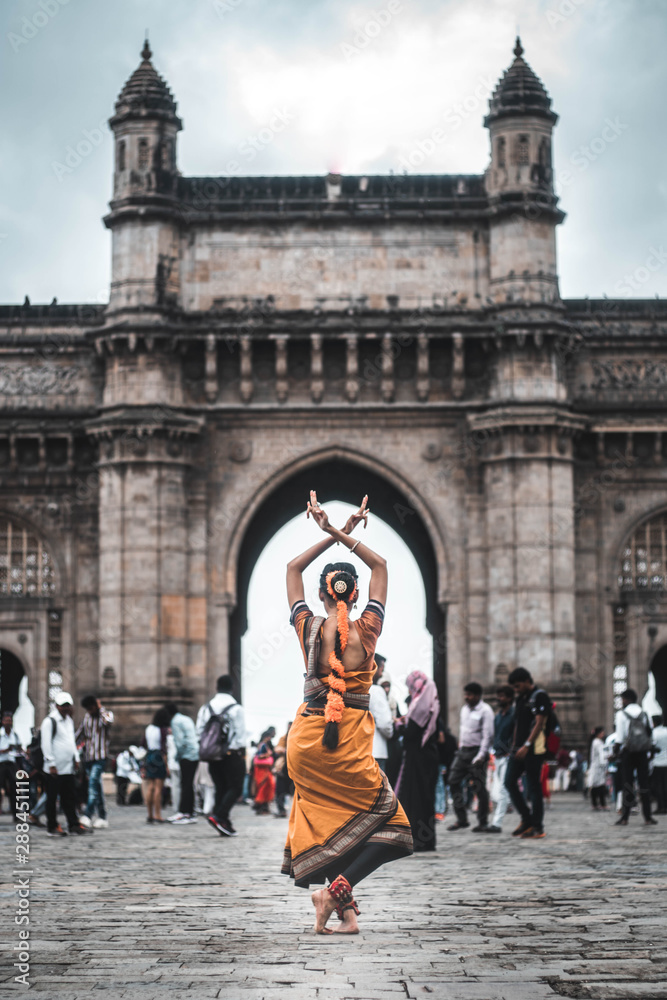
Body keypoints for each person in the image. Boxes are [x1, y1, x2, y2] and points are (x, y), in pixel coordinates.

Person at [284, 491, 412, 934]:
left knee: (325, 825)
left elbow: (291, 569)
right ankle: (336, 891)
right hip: (349, 740)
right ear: (355, 595)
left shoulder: (307, 627)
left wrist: (324, 533)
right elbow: (383, 567)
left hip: (306, 741)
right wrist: (344, 532)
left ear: (322, 593)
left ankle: (346, 913)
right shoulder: (369, 630)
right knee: (395, 829)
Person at [395, 670, 440, 851]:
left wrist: (398, 724)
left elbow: (410, 733)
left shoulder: (419, 705)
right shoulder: (431, 701)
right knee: (426, 799)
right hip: (427, 756)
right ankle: (426, 841)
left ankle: (419, 841)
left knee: (417, 799)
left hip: (418, 759)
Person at [196, 675, 246, 837]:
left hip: (212, 755)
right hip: (231, 754)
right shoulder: (236, 709)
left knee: (220, 787)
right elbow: (240, 734)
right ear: (232, 688)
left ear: (216, 688)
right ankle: (220, 816)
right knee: (236, 787)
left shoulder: (205, 708)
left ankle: (223, 821)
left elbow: (199, 732)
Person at [504, 667, 551, 839]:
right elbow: (518, 724)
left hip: (533, 750)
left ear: (526, 681)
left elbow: (539, 723)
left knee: (533, 788)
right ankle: (526, 819)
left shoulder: (539, 696)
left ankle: (537, 826)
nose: (515, 690)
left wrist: (526, 745)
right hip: (518, 749)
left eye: (517, 686)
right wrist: (514, 746)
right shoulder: (521, 698)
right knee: (508, 782)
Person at [447, 682, 494, 832]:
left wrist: (481, 755)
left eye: (470, 695)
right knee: (453, 781)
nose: (466, 697)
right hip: (463, 751)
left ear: (478, 696)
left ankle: (483, 821)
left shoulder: (486, 711)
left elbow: (488, 736)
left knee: (478, 787)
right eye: (465, 694)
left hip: (477, 752)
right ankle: (462, 819)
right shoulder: (464, 710)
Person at [41, 692, 89, 837]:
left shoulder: (68, 720)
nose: (66, 708)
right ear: (56, 706)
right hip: (54, 769)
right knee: (52, 798)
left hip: (67, 767)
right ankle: (52, 826)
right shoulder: (49, 721)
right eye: (63, 706)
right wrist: (51, 763)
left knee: (70, 797)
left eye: (68, 705)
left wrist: (76, 758)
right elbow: (46, 744)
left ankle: (73, 824)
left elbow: (70, 741)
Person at [614, 689, 656, 826]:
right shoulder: (644, 714)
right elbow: (649, 733)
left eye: (622, 699)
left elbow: (620, 736)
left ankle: (625, 817)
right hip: (642, 752)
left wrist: (616, 752)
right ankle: (648, 817)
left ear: (626, 699)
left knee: (627, 784)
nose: (622, 702)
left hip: (628, 752)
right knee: (644, 784)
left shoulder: (621, 714)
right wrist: (651, 752)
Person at [76, 695, 114, 830]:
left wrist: (100, 708)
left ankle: (87, 815)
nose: (90, 711)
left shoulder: (105, 715)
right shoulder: (86, 718)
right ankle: (102, 817)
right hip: (88, 758)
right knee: (97, 787)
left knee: (92, 785)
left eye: (91, 708)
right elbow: (79, 734)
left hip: (100, 757)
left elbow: (108, 722)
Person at [485, 685, 515, 833]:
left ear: (509, 698)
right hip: (497, 756)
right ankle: (518, 808)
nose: (499, 699)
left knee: (502, 790)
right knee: (497, 791)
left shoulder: (514, 715)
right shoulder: (498, 716)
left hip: (508, 757)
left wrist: (511, 751)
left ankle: (497, 823)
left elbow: (516, 735)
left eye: (502, 696)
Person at [164, 702, 199, 824]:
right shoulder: (186, 718)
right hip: (194, 754)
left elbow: (179, 742)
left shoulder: (175, 722)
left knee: (185, 784)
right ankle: (190, 812)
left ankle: (184, 813)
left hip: (186, 755)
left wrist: (176, 757)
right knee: (189, 784)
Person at [142, 707, 170, 824]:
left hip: (149, 756)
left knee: (150, 786)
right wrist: (167, 764)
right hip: (159, 756)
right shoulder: (162, 730)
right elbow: (164, 748)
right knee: (158, 787)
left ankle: (149, 814)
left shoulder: (149, 728)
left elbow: (143, 744)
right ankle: (158, 814)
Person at [369, 668, 394, 773]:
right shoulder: (376, 690)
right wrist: (390, 733)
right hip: (377, 750)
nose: (381, 673)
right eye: (381, 669)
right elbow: (384, 723)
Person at [0, 711, 22, 818]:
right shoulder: (0, 735)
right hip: (1, 764)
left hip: (12, 764)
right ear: (2, 721)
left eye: (10, 721)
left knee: (15, 789)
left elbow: (19, 749)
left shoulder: (15, 735)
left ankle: (16, 814)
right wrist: (5, 750)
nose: (8, 723)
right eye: (6, 721)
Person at [273, 724, 293, 818]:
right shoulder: (283, 738)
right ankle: (282, 811)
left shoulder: (298, 735)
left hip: (294, 770)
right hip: (283, 769)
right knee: (280, 792)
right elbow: (277, 749)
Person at [588, 726, 608, 810]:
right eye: (602, 733)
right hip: (599, 767)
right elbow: (602, 756)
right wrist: (605, 766)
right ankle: (602, 804)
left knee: (595, 786)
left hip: (596, 766)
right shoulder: (598, 743)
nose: (603, 734)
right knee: (600, 786)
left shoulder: (595, 742)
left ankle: (595, 804)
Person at [651, 715, 667, 815]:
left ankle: (660, 807)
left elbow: (651, 747)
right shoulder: (666, 731)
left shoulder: (653, 733)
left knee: (658, 786)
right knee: (665, 785)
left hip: (657, 763)